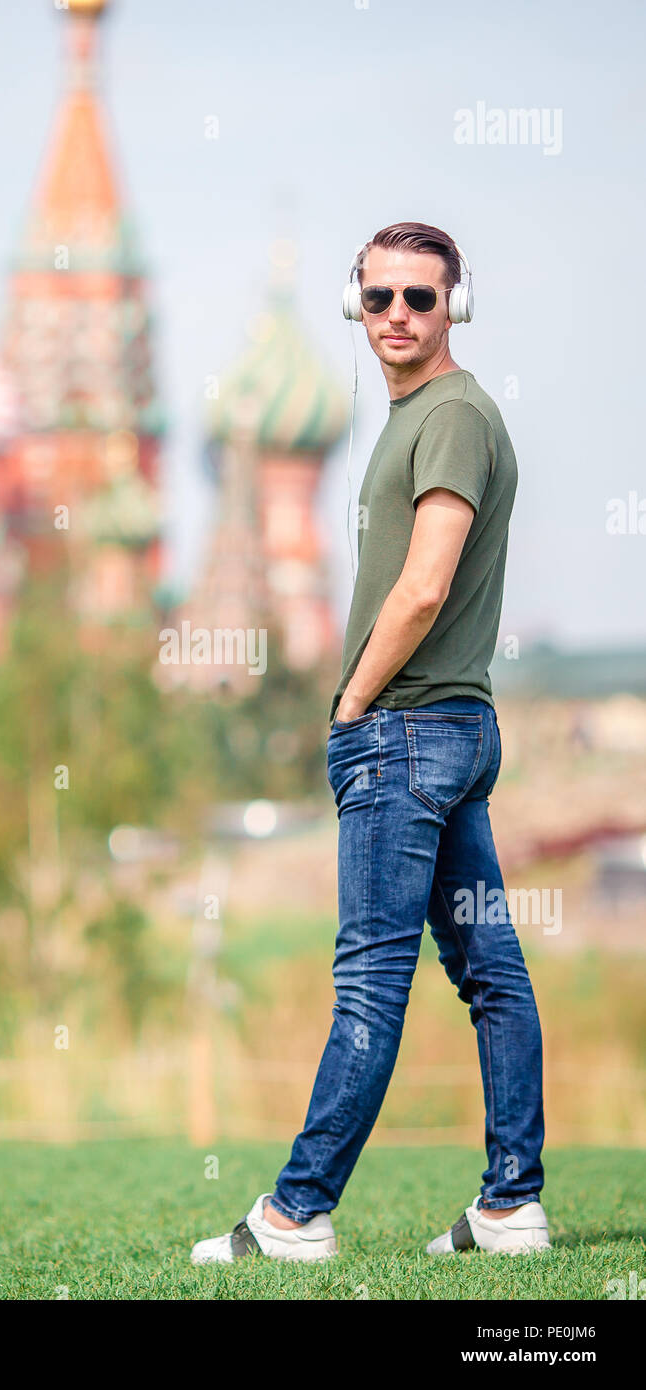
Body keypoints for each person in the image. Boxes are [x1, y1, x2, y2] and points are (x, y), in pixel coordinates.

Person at [190, 221, 550, 1263]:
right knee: (488, 969)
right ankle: (508, 1205)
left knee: (369, 977)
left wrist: (350, 702)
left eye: (420, 298)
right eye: (380, 296)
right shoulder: (427, 416)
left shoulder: (447, 417)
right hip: (451, 729)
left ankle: (296, 1213)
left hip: (406, 730)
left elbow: (425, 581)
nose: (398, 315)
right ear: (355, 303)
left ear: (455, 307)